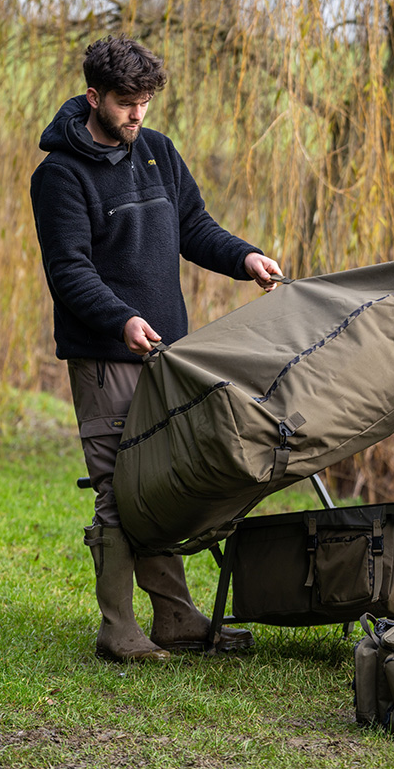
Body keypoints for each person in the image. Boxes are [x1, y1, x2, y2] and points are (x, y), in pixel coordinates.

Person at [31, 34, 281, 662]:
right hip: (107, 356)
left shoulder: (159, 154)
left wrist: (243, 256)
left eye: (144, 101)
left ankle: (173, 618)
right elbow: (69, 272)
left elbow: (193, 226)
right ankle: (118, 629)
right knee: (119, 487)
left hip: (167, 354)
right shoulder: (59, 176)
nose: (137, 113)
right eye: (125, 102)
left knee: (163, 482)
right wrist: (122, 321)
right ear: (94, 97)